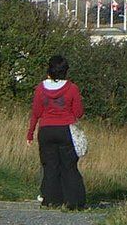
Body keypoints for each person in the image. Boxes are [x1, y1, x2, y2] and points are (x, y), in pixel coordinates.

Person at [26, 54, 87, 209]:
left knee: (50, 166)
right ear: (65, 71)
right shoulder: (72, 88)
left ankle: (51, 200)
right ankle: (73, 201)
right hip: (66, 130)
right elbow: (79, 112)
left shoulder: (40, 88)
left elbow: (36, 113)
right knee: (69, 166)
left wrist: (30, 134)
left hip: (46, 130)